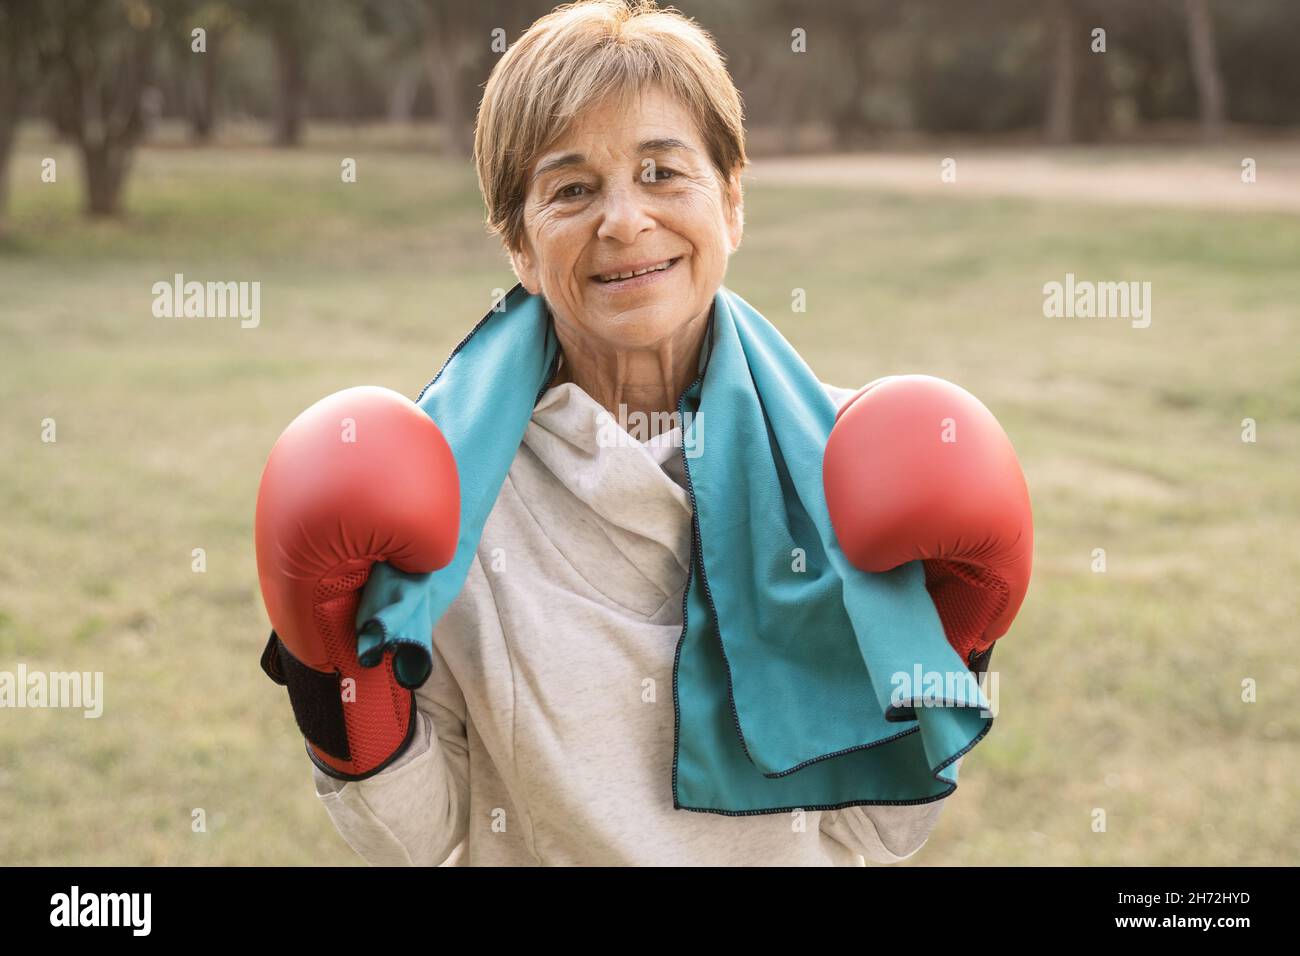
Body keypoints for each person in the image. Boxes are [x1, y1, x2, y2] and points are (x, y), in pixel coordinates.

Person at [257, 0, 1028, 866]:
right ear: (519, 245)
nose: (624, 220)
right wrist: (333, 674)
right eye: (573, 189)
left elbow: (875, 836)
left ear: (731, 203)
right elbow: (423, 837)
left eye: (662, 172)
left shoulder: (847, 467)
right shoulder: (443, 492)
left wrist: (960, 633)